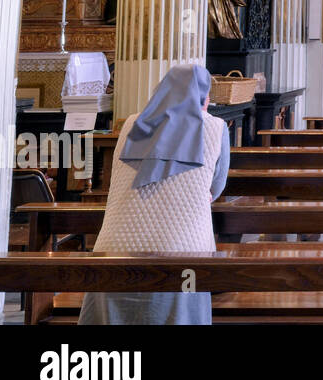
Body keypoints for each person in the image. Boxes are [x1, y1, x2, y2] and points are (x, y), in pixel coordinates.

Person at [78, 65, 230, 325]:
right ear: (203, 96)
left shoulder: (131, 124)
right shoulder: (215, 127)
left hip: (115, 247)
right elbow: (216, 186)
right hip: (184, 249)